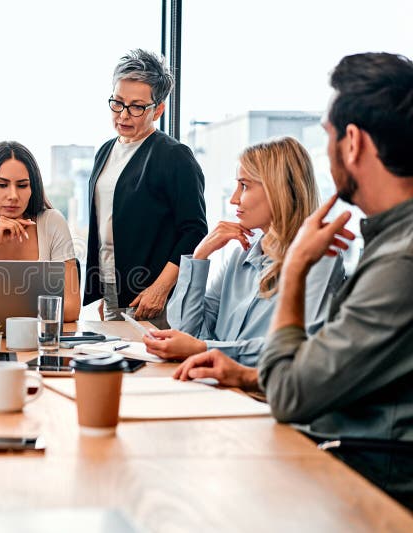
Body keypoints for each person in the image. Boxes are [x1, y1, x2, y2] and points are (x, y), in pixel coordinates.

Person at [174, 52, 413, 507]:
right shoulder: (388, 242)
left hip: (362, 475)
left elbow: (290, 389)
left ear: (354, 143)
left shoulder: (399, 261)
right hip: (332, 448)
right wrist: (244, 374)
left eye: (327, 136)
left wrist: (299, 262)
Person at [144, 137, 344, 366]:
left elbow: (299, 347)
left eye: (245, 186)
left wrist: (205, 348)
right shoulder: (241, 254)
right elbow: (185, 331)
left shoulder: (321, 259)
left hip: (261, 395)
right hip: (214, 385)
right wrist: (199, 256)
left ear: (277, 189)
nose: (234, 199)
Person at [84, 49, 207, 327]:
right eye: (118, 102)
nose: (124, 115)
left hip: (152, 296)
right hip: (112, 291)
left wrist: (160, 288)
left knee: (150, 368)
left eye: (137, 107)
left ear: (159, 109)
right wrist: (106, 292)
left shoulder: (174, 156)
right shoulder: (104, 152)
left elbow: (195, 230)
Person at [0, 141, 80, 322]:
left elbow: (71, 309)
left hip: (40, 343)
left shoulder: (52, 222)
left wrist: (5, 318)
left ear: (32, 188)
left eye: (22, 185)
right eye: (2, 185)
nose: (13, 195)